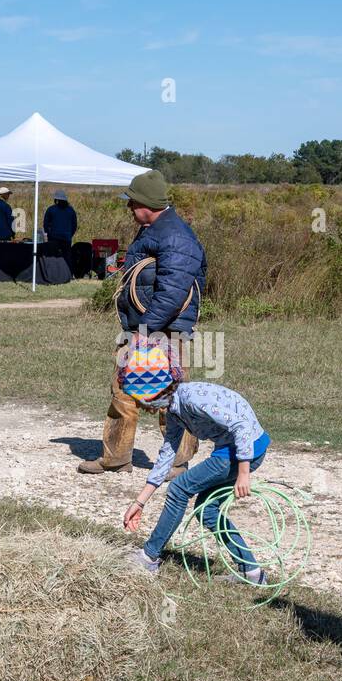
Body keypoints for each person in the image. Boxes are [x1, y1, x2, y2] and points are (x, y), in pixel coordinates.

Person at [78, 170, 206, 476]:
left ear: (146, 204)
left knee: (170, 396)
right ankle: (116, 458)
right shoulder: (156, 230)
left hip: (164, 330)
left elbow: (173, 293)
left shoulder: (174, 236)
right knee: (123, 390)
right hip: (144, 326)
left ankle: (179, 463)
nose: (129, 208)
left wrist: (145, 332)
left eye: (132, 202)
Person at [119, 339, 270, 582]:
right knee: (206, 509)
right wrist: (140, 502)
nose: (142, 407)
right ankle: (252, 572)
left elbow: (240, 425)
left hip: (242, 449)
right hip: (235, 449)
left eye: (141, 400)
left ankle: (149, 557)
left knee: (179, 489)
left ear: (154, 392)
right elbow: (166, 455)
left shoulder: (192, 399)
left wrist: (243, 473)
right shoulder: (175, 411)